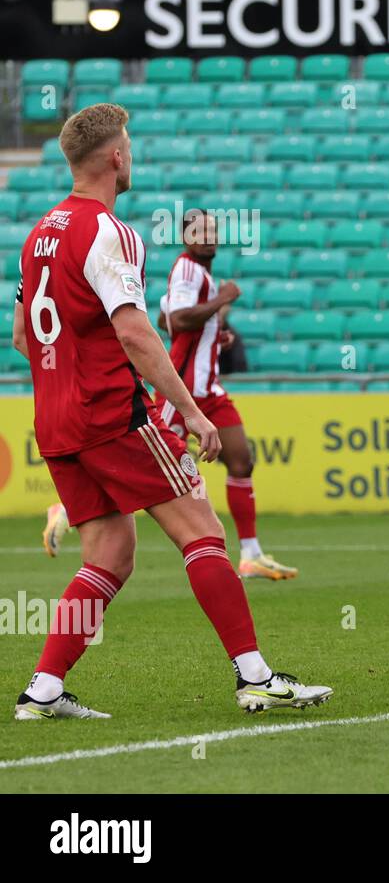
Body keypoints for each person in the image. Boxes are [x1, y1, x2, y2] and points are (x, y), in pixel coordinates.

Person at [10, 103, 329, 719]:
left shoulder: (37, 235)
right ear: (116, 157)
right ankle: (255, 676)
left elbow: (24, 336)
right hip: (113, 417)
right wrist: (192, 411)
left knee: (109, 555)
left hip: (55, 422)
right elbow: (134, 332)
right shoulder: (109, 231)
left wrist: (71, 378)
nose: (132, 154)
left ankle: (43, 689)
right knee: (203, 533)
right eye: (129, 145)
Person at [154, 209, 296, 580]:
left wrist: (215, 336)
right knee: (145, 463)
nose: (209, 236)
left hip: (210, 389)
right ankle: (68, 511)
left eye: (213, 230)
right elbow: (178, 319)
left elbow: (165, 318)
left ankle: (250, 555)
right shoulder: (187, 268)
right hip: (181, 389)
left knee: (241, 461)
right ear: (186, 238)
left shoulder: (199, 274)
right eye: (200, 231)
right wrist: (222, 300)